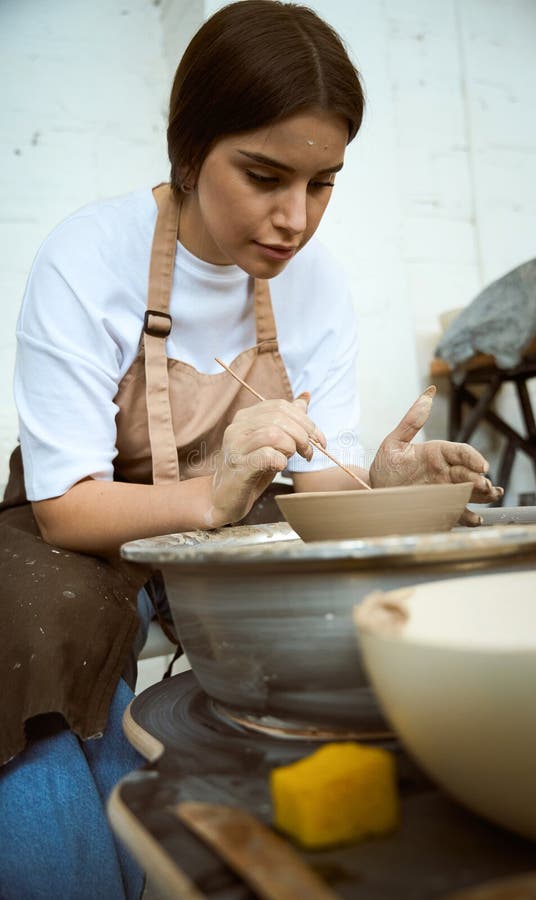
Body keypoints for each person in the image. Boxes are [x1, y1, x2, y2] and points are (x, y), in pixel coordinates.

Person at [0, 1, 502, 897]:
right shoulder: (87, 258)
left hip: (239, 515)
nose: (294, 218)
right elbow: (64, 504)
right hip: (84, 523)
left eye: (322, 183)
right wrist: (209, 499)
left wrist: (384, 481)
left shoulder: (316, 283)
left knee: (354, 624)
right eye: (264, 175)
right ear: (188, 152)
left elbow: (317, 478)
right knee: (33, 643)